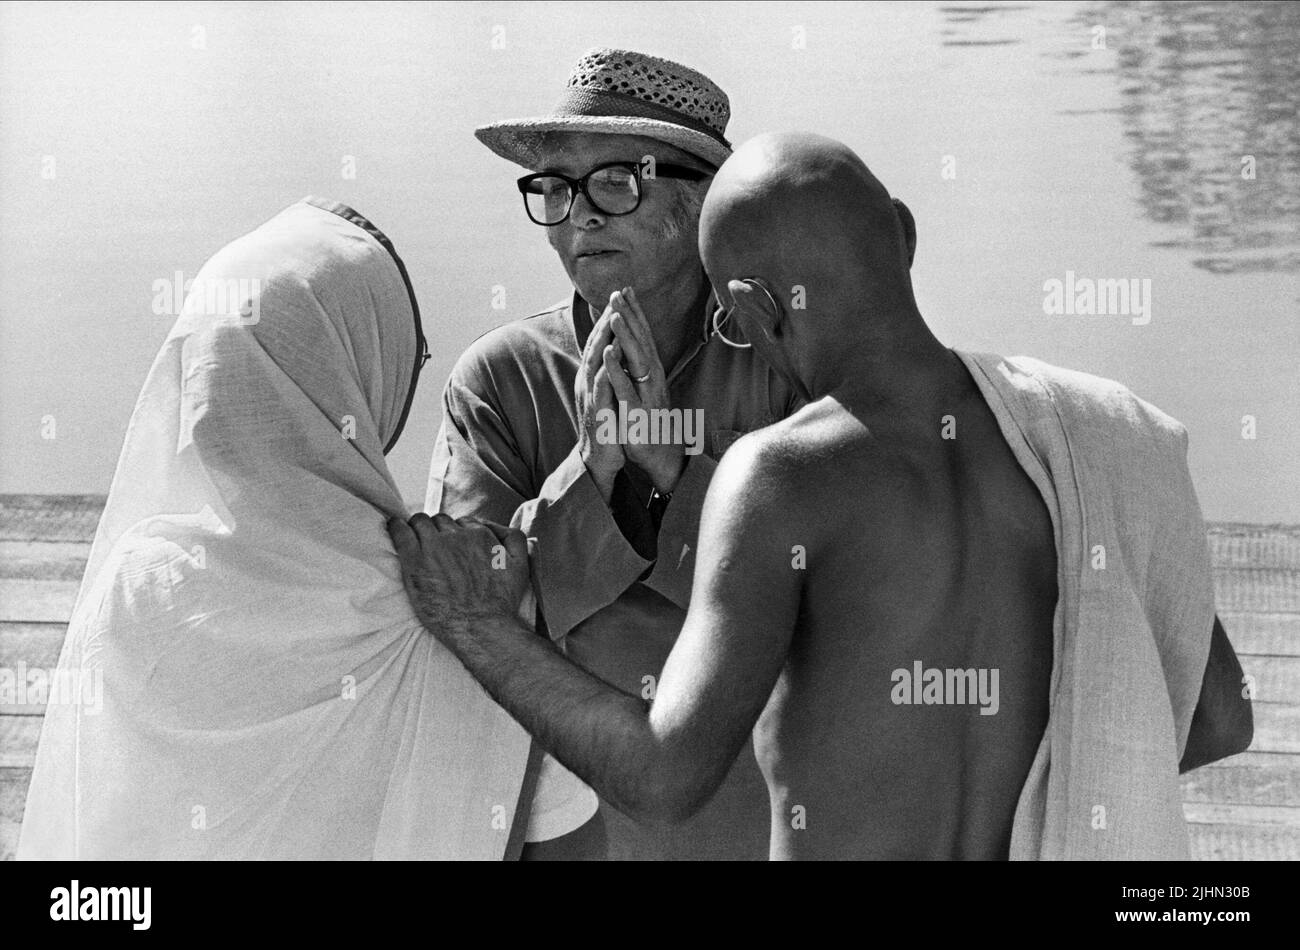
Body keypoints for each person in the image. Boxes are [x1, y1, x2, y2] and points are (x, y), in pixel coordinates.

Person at [389, 134, 1254, 859]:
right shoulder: (1096, 436)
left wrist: (477, 623)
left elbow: (665, 775)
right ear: (904, 238)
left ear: (753, 307)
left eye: (733, 324)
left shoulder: (780, 478)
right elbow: (1218, 720)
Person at [17, 197, 594, 859]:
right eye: (411, 353)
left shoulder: (138, 586)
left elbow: (91, 830)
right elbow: (563, 834)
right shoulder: (461, 597)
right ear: (359, 365)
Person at [429, 48, 807, 859]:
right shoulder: (502, 377)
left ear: (703, 199)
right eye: (557, 189)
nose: (580, 218)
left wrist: (671, 475)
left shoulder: (783, 354)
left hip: (757, 804)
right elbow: (470, 609)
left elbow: (832, 590)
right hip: (563, 813)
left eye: (616, 181)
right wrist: (592, 472)